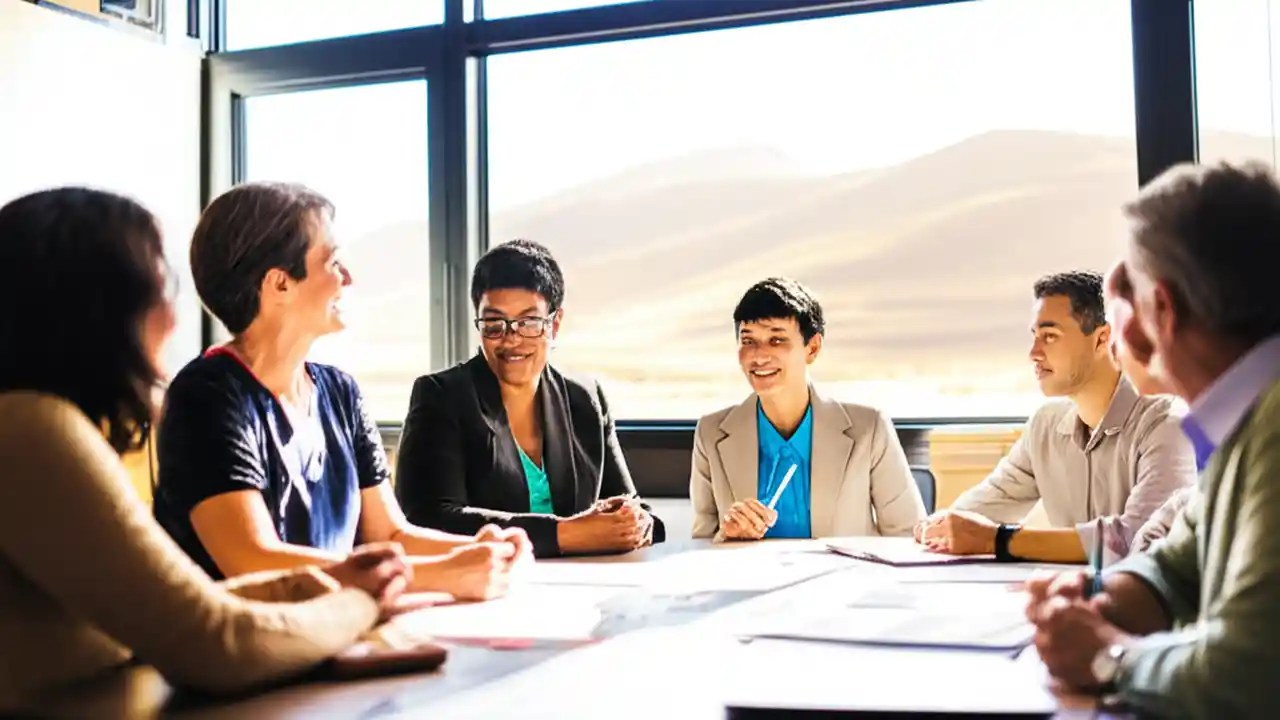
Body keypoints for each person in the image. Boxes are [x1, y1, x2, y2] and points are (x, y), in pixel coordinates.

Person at [0, 187, 413, 709]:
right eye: (156, 290)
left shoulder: (35, 426)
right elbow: (215, 642)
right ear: (97, 312)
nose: (172, 320)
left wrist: (311, 588)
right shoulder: (29, 432)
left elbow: (174, 609)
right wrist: (358, 605)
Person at [153, 182, 524, 598]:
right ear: (279, 284)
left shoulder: (340, 392)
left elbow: (390, 534)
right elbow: (253, 560)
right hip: (245, 653)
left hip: (330, 632)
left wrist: (482, 550)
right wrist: (438, 575)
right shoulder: (205, 397)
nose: (348, 277)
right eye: (332, 262)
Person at [1026, 161, 1280, 718]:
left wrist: (1107, 656)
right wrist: (1099, 598)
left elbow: (1249, 676)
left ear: (1162, 310)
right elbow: (1175, 565)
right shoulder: (1243, 417)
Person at [394, 239, 662, 558]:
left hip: (585, 583)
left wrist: (637, 523)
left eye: (529, 322)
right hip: (484, 588)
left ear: (555, 324)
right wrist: (566, 535)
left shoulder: (586, 398)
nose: (512, 339)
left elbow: (629, 504)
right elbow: (427, 520)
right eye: (494, 324)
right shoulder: (441, 397)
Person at [916, 272, 1194, 563]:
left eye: (1050, 336)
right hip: (1066, 599)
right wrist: (940, 526)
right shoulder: (1045, 425)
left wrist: (999, 540)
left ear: (1102, 339)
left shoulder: (1166, 423)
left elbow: (1136, 539)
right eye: (1035, 337)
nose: (1034, 353)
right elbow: (981, 508)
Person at [690, 278, 925, 541]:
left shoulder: (869, 429)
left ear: (812, 348)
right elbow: (701, 544)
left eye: (776, 340)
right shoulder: (711, 433)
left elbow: (909, 537)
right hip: (749, 582)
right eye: (748, 341)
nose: (758, 356)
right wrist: (727, 536)